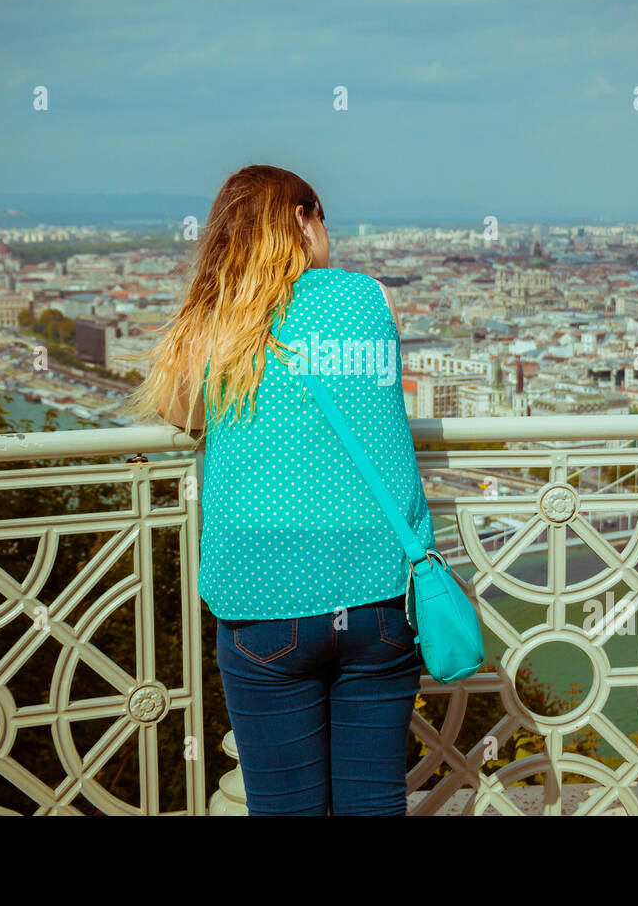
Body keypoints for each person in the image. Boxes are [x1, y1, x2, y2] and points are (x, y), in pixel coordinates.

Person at [129, 164, 434, 815]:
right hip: (381, 588)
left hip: (264, 595)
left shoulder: (218, 318)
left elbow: (186, 414)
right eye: (322, 216)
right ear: (301, 219)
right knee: (375, 801)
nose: (329, 233)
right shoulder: (375, 298)